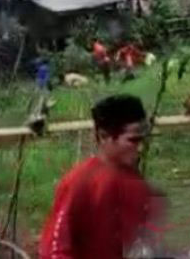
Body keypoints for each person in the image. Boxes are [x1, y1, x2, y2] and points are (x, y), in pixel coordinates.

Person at [38, 94, 166, 259]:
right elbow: (55, 250)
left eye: (143, 140)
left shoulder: (135, 183)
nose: (141, 148)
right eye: (133, 141)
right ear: (104, 136)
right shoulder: (80, 182)